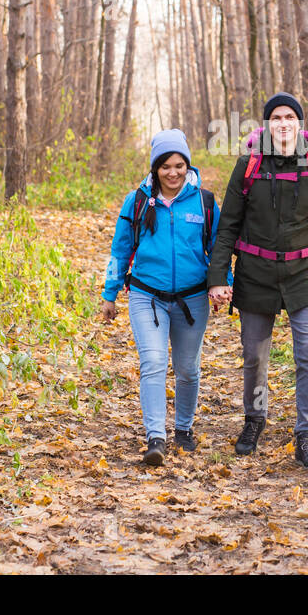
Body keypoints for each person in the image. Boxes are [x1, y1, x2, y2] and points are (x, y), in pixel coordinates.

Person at [206, 93, 308, 468]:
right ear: (267, 125)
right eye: (276, 117)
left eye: (290, 117)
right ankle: (254, 420)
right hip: (255, 274)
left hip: (303, 273)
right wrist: (217, 277)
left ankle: (306, 434)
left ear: (300, 124)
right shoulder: (248, 166)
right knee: (254, 357)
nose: (283, 123)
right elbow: (227, 226)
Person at [101, 130, 220, 466]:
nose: (173, 173)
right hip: (146, 296)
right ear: (155, 168)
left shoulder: (204, 202)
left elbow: (219, 249)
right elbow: (119, 249)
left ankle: (183, 428)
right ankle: (156, 436)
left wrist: (220, 284)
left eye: (179, 165)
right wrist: (109, 294)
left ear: (188, 165)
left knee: (187, 369)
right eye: (165, 166)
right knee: (153, 363)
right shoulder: (137, 200)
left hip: (192, 299)